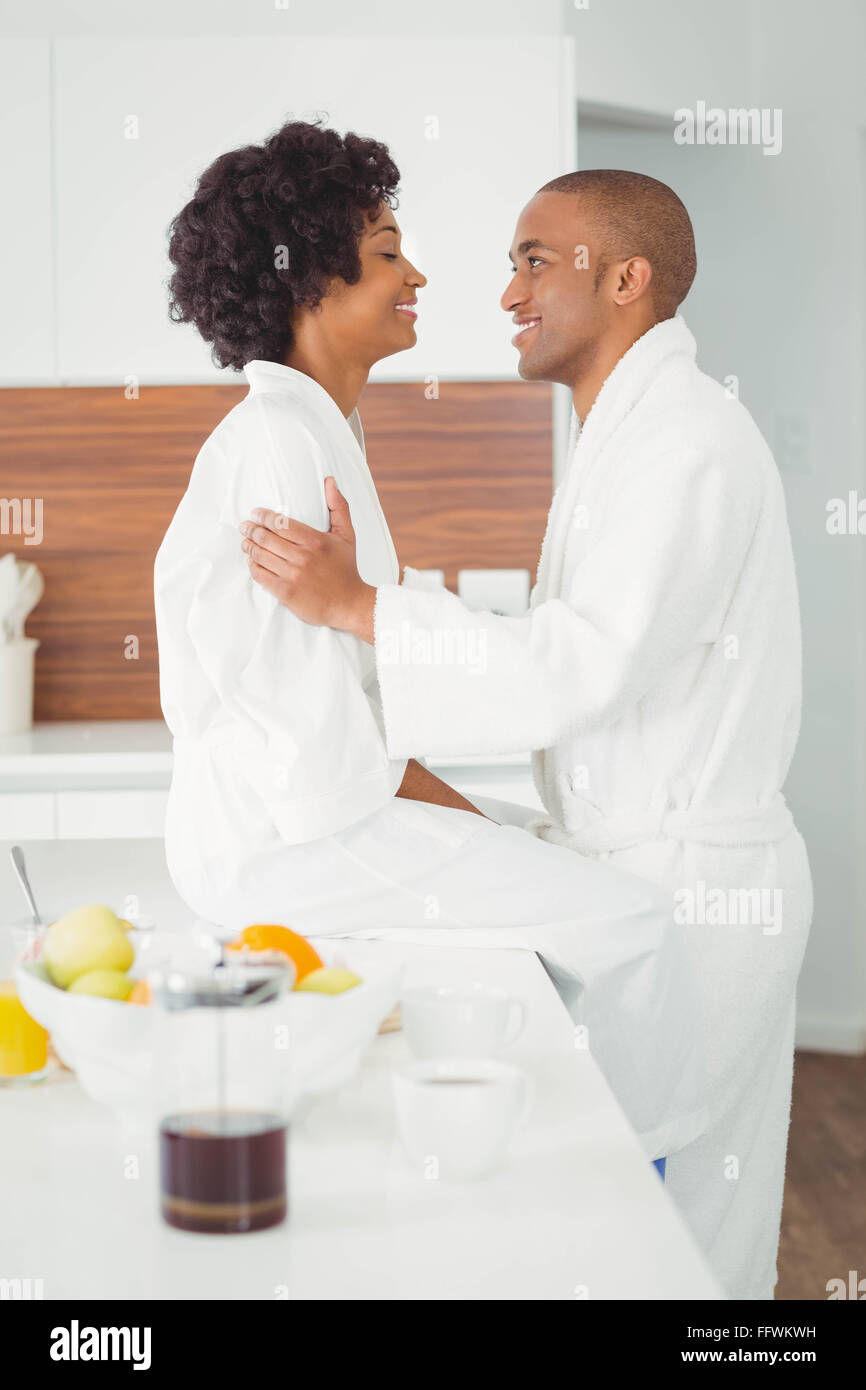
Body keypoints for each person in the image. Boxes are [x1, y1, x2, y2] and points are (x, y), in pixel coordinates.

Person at [240, 168, 813, 1301]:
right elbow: (580, 657)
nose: (504, 292)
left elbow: (581, 666)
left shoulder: (684, 442)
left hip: (698, 894)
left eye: (533, 260)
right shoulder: (626, 435)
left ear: (627, 278)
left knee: (670, 1235)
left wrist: (360, 608)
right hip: (641, 868)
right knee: (640, 1219)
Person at [154, 123, 709, 1177]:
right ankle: (635, 1193)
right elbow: (324, 753)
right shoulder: (281, 441)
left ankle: (560, 1165)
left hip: (307, 816)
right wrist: (488, 831)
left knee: (553, 867)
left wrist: (493, 830)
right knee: (631, 924)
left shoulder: (318, 428)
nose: (417, 274)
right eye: (385, 250)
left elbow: (356, 699)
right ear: (310, 280)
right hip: (287, 839)